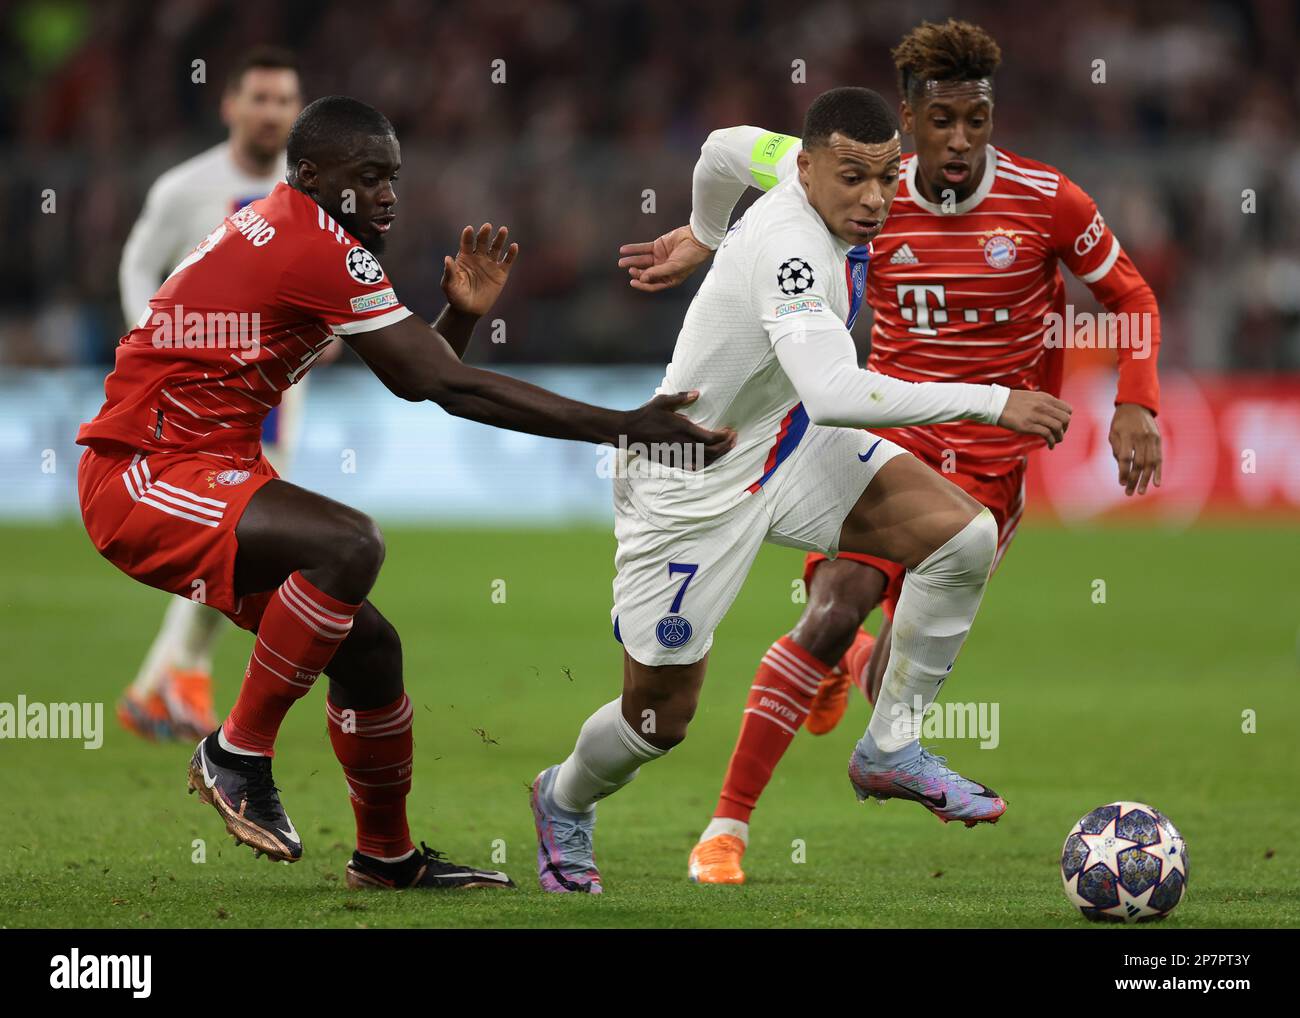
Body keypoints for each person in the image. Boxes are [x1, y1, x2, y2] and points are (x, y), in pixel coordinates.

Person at [77, 95, 734, 891]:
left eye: (393, 176)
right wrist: (624, 426)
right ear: (313, 176)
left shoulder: (301, 228)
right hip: (143, 473)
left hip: (208, 466)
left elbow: (418, 377)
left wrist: (454, 321)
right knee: (350, 543)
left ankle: (385, 857)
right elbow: (447, 389)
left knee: (370, 650)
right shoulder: (317, 246)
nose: (388, 194)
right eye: (368, 177)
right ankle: (236, 752)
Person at [619, 19, 1163, 885]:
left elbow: (1128, 293)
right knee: (832, 611)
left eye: (975, 122)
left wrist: (1137, 399)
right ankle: (725, 833)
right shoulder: (869, 192)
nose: (959, 140)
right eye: (941, 120)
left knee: (886, 666)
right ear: (907, 119)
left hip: (992, 464)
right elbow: (747, 175)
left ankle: (869, 683)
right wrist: (707, 236)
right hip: (887, 433)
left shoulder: (1049, 200)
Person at [530, 86, 1072, 894]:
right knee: (657, 721)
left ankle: (889, 746)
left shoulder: (792, 158)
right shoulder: (793, 250)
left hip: (783, 446)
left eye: (888, 178)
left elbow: (718, 146)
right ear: (812, 169)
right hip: (692, 482)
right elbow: (836, 392)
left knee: (962, 538)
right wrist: (997, 400)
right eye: (853, 178)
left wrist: (704, 236)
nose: (874, 199)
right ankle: (563, 798)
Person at [116, 46, 316, 742]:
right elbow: (138, 262)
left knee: (241, 529)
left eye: (284, 101)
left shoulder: (307, 188)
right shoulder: (186, 188)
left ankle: (161, 684)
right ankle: (176, 679)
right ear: (229, 105)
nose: (271, 113)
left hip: (275, 393)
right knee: (234, 527)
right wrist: (155, 341)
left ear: (297, 112)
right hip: (195, 392)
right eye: (258, 98)